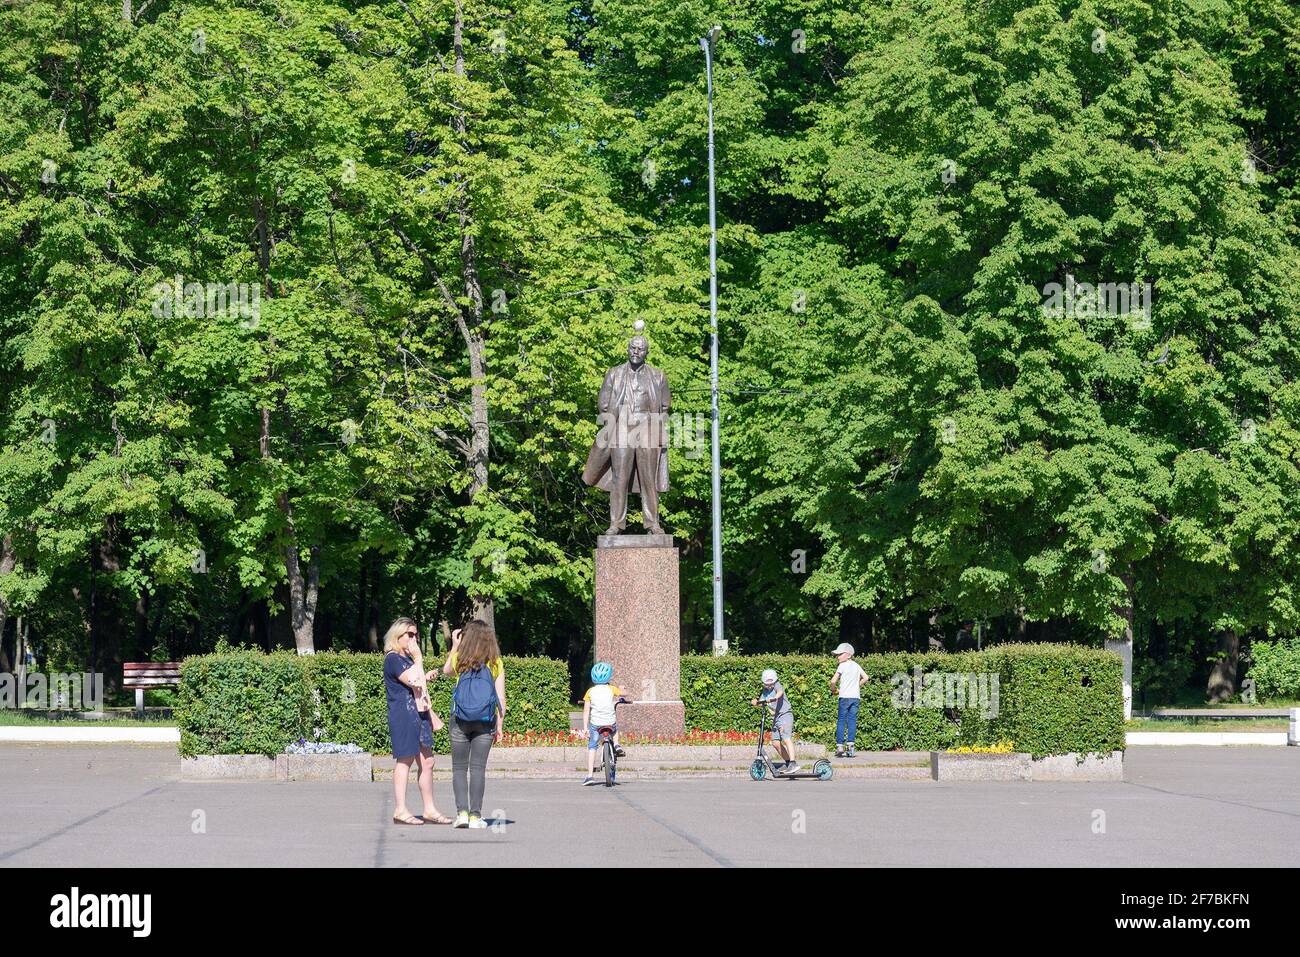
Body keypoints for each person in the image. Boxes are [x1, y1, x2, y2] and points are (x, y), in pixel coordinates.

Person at [382, 617, 451, 825]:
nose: (413, 638)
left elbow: (418, 682)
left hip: (419, 715)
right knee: (405, 760)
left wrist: (423, 671)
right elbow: (413, 680)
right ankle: (400, 810)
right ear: (397, 636)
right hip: (403, 715)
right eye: (409, 634)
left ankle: (429, 809)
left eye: (415, 634)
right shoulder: (393, 658)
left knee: (428, 761)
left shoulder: (407, 659)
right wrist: (419, 658)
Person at [441, 619, 506, 829]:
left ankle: (461, 814)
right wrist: (500, 726)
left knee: (459, 768)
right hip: (485, 721)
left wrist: (454, 646)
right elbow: (501, 698)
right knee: (478, 769)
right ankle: (476, 817)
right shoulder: (495, 661)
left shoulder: (461, 658)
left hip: (459, 719)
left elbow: (446, 671)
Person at [579, 661, 633, 786]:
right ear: (608, 677)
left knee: (592, 746)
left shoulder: (590, 692)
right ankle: (617, 745)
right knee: (614, 728)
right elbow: (625, 694)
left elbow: (586, 711)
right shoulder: (611, 689)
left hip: (595, 724)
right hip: (609, 722)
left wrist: (585, 727)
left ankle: (590, 776)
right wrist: (622, 688)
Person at [751, 668, 798, 773]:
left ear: (774, 681)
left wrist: (775, 698)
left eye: (771, 684)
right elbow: (762, 702)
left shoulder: (777, 685)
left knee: (786, 738)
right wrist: (756, 703)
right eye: (766, 684)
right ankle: (787, 763)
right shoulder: (765, 691)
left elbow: (780, 692)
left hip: (785, 715)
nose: (769, 686)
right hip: (776, 718)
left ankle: (793, 763)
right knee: (775, 743)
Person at [829, 642, 868, 758]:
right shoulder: (856, 665)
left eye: (840, 654)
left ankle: (840, 746)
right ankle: (850, 747)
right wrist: (857, 686)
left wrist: (833, 690)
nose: (837, 657)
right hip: (855, 697)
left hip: (844, 697)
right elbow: (866, 677)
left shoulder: (842, 666)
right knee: (852, 721)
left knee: (841, 720)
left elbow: (833, 681)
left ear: (848, 655)